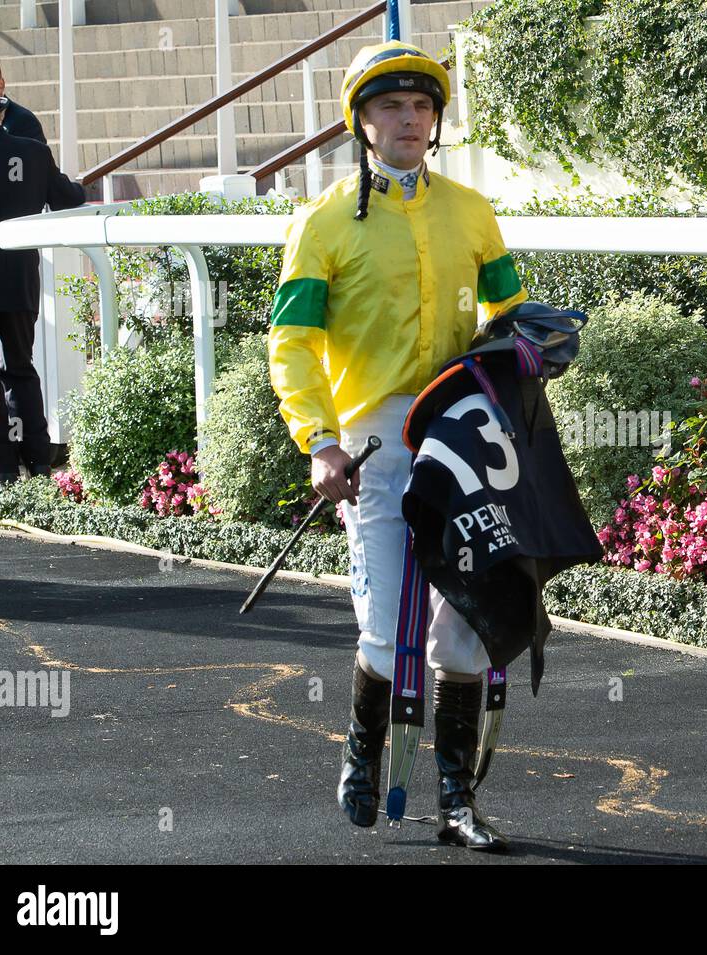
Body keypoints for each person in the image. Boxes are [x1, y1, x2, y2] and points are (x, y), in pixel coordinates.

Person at [267, 41, 528, 852]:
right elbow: (293, 342)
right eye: (389, 106)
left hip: (461, 438)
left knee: (464, 632)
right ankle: (361, 747)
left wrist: (529, 353)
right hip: (375, 439)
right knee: (385, 630)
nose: (408, 117)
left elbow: (508, 319)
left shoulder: (471, 211)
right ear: (361, 122)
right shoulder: (321, 224)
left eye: (421, 106)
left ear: (436, 120)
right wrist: (318, 440)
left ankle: (457, 801)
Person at [0, 78, 85, 490]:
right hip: (19, 278)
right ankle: (37, 459)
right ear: (1, 112)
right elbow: (69, 197)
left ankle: (0, 466)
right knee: (20, 366)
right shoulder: (33, 152)